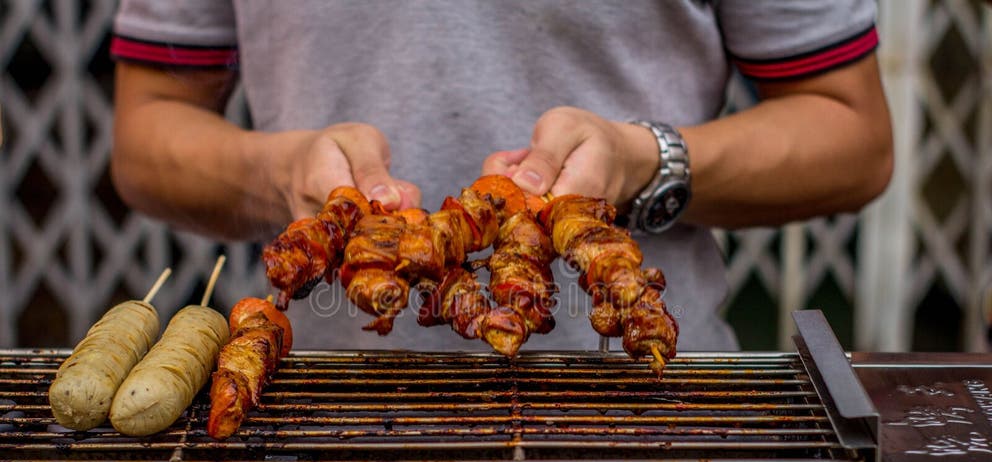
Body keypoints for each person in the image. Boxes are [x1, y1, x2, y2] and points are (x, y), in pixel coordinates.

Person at [109, 0, 893, 352]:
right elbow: (145, 133)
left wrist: (644, 161)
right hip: (319, 435)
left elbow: (851, 131)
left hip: (654, 441)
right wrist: (280, 174)